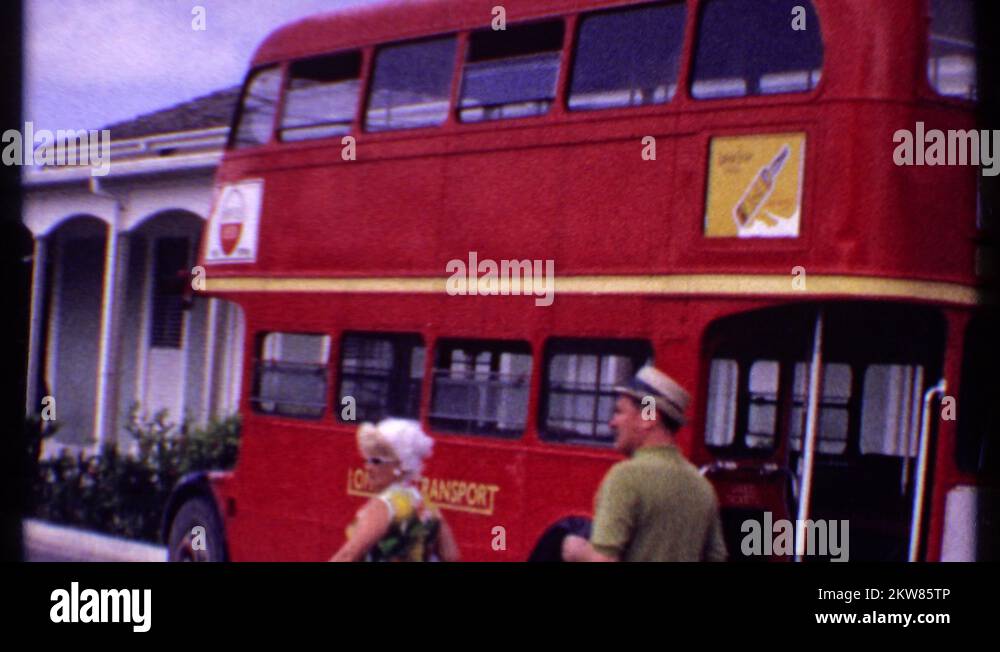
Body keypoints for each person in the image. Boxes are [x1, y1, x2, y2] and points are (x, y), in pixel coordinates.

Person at [561, 366, 728, 562]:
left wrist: (575, 550)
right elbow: (717, 557)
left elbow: (603, 560)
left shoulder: (626, 477)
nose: (612, 423)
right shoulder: (702, 487)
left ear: (648, 417)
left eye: (619, 411)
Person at [330, 418, 460, 562]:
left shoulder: (385, 504)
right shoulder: (426, 505)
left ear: (399, 466)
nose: (368, 467)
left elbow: (348, 555)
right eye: (367, 459)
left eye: (376, 461)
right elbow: (451, 556)